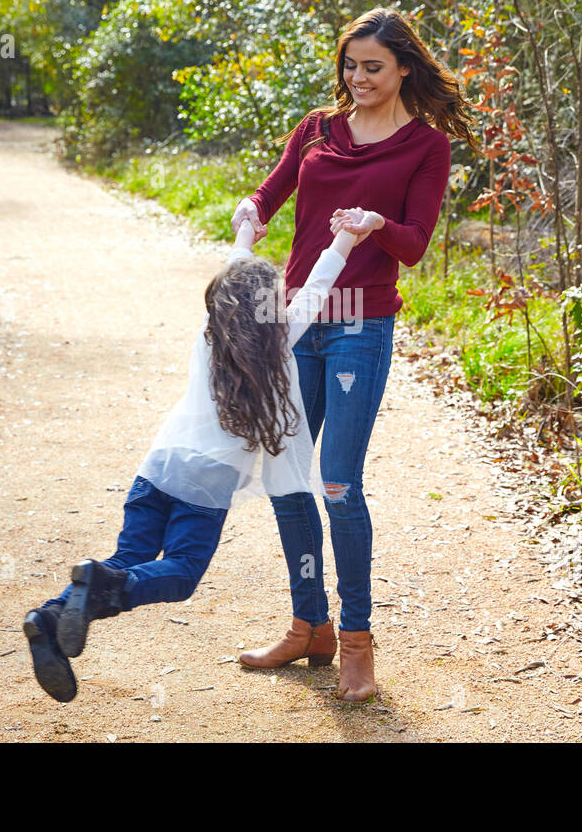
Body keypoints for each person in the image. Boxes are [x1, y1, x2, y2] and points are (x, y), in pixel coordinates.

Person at [231, 7, 480, 702]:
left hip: (361, 323)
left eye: (373, 67)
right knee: (286, 474)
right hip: (297, 319)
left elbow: (416, 243)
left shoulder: (425, 147)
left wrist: (377, 226)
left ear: (404, 67)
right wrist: (251, 211)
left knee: (337, 481)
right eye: (350, 65)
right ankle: (308, 624)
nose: (358, 78)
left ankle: (357, 645)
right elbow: (272, 192)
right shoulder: (316, 129)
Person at [22, 216, 367, 703]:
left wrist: (245, 235)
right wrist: (346, 238)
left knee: (130, 559)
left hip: (157, 467)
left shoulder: (210, 331)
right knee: (181, 573)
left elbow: (235, 274)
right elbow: (316, 288)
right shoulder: (277, 340)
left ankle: (50, 617)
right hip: (204, 483)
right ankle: (101, 584)